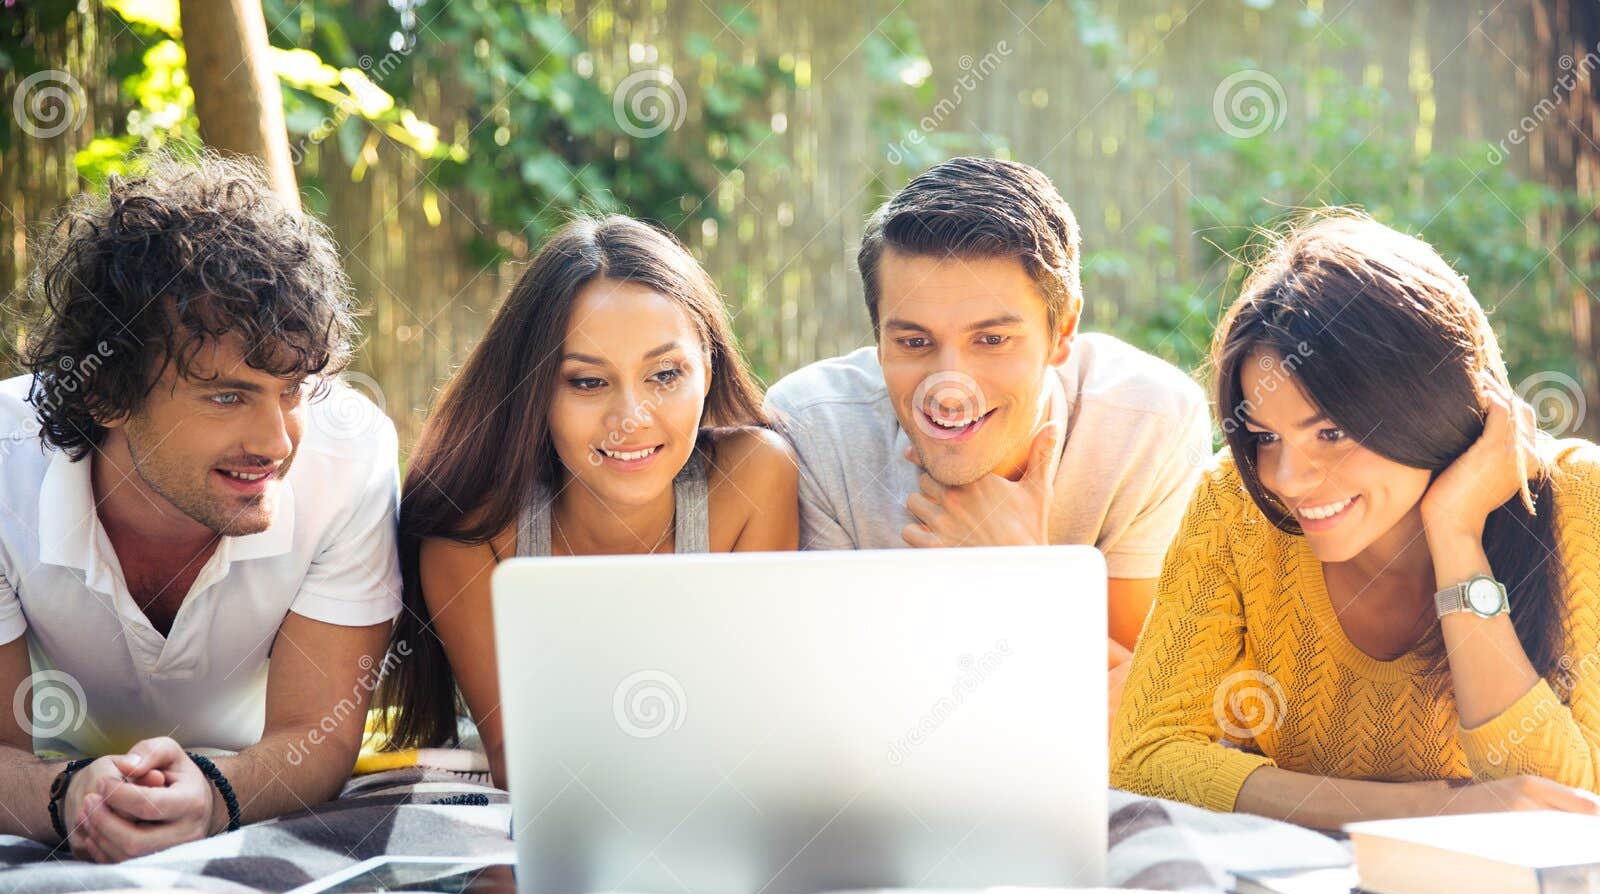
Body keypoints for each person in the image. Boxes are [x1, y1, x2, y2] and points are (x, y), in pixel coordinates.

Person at [1112, 210, 1600, 826]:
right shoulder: (1234, 506)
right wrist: (1427, 809)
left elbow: (1562, 815)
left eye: (1331, 431)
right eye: (1264, 437)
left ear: (1433, 405)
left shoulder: (1581, 502)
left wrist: (1456, 534)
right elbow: (1145, 757)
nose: (1286, 478)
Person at [0, 152, 403, 861]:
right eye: (227, 396)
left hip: (247, 777)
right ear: (107, 393)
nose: (277, 442)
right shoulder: (5, 465)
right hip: (58, 774)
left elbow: (320, 731)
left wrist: (215, 793)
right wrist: (75, 796)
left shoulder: (350, 456)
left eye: (292, 390)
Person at [763, 157, 1209, 717]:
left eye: (992, 340)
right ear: (877, 337)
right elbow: (813, 704)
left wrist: (1023, 579)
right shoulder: (811, 428)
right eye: (914, 343)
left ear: (1063, 331)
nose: (950, 392)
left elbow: (1154, 718)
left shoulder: (1148, 424)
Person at [379, 215, 797, 787]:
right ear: (534, 389)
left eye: (665, 374)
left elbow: (758, 723)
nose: (631, 417)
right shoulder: (471, 531)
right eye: (587, 382)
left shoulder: (754, 480)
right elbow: (520, 763)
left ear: (708, 366)